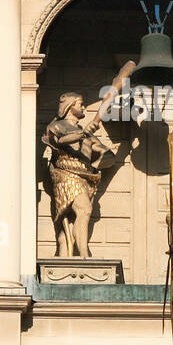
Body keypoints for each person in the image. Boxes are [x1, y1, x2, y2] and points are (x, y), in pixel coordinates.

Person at [42, 92, 115, 257]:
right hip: (66, 175)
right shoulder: (58, 125)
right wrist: (82, 134)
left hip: (85, 178)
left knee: (70, 222)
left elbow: (109, 156)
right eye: (80, 103)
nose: (83, 107)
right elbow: (59, 141)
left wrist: (92, 167)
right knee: (85, 209)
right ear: (69, 106)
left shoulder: (86, 134)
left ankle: (65, 254)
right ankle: (84, 254)